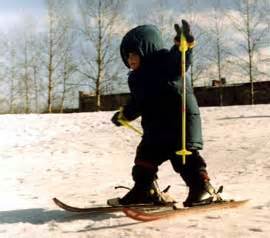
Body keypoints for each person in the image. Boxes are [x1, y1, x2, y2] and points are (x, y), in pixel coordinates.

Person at [108, 20, 217, 207]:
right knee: (144, 157)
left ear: (146, 50)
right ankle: (145, 190)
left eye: (134, 54)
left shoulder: (165, 63)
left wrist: (184, 46)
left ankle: (202, 188)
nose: (130, 60)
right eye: (127, 57)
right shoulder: (137, 79)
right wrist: (125, 115)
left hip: (178, 125)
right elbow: (138, 102)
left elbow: (180, 60)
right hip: (155, 130)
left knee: (184, 159)